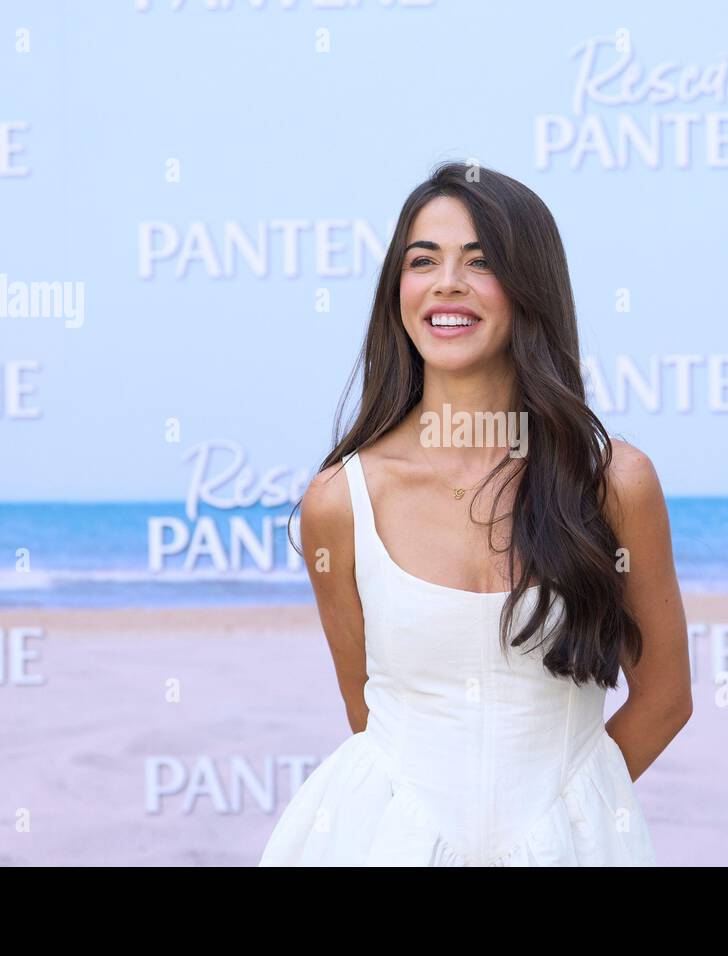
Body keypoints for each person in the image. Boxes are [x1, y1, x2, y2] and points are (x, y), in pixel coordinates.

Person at [258, 161, 692, 866]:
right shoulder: (340, 501)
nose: (447, 283)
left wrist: (566, 822)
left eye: (480, 261)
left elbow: (666, 698)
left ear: (529, 291)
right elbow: (368, 715)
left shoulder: (614, 484)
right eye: (422, 260)